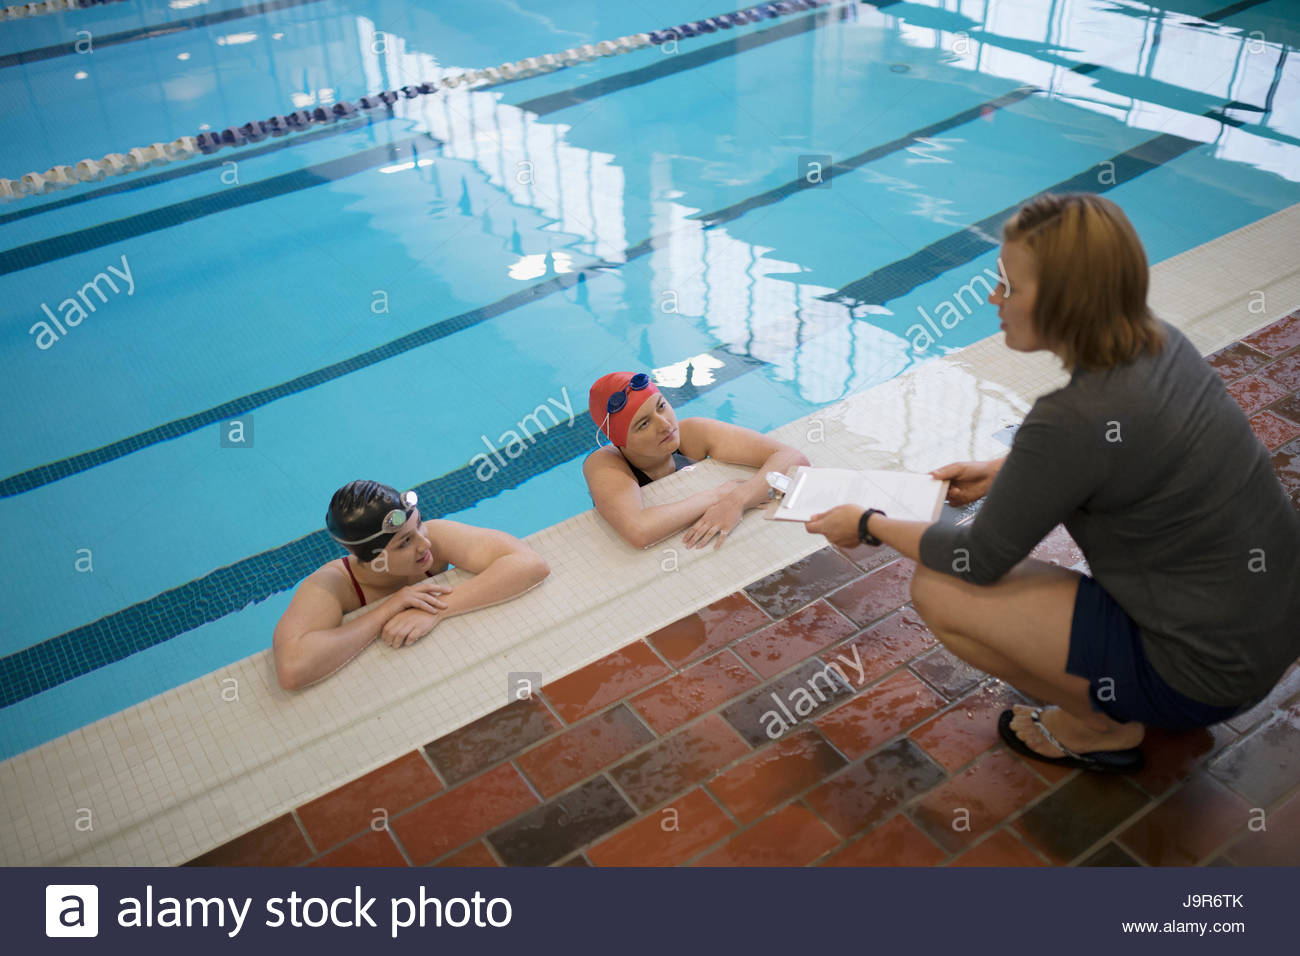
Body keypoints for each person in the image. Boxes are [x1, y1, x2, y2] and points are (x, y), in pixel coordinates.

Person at [806, 192, 1300, 773]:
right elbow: (1121, 457)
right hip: (1268, 635)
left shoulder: (1072, 417)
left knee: (938, 590)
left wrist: (869, 525)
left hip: (1203, 676)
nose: (995, 298)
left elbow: (975, 559)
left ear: (1066, 300)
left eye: (1009, 286)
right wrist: (1002, 473)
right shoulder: (1162, 343)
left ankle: (1100, 727)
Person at [272, 480, 549, 690]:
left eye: (419, 525)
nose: (424, 543)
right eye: (405, 542)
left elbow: (529, 563)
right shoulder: (334, 584)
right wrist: (387, 610)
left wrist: (436, 610)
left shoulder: (436, 537)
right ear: (373, 561)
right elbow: (293, 669)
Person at [584, 370, 809, 549]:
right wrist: (718, 494)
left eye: (661, 406)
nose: (664, 424)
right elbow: (640, 530)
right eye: (643, 424)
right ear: (620, 440)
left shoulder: (692, 432)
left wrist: (736, 501)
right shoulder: (604, 463)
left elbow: (792, 459)